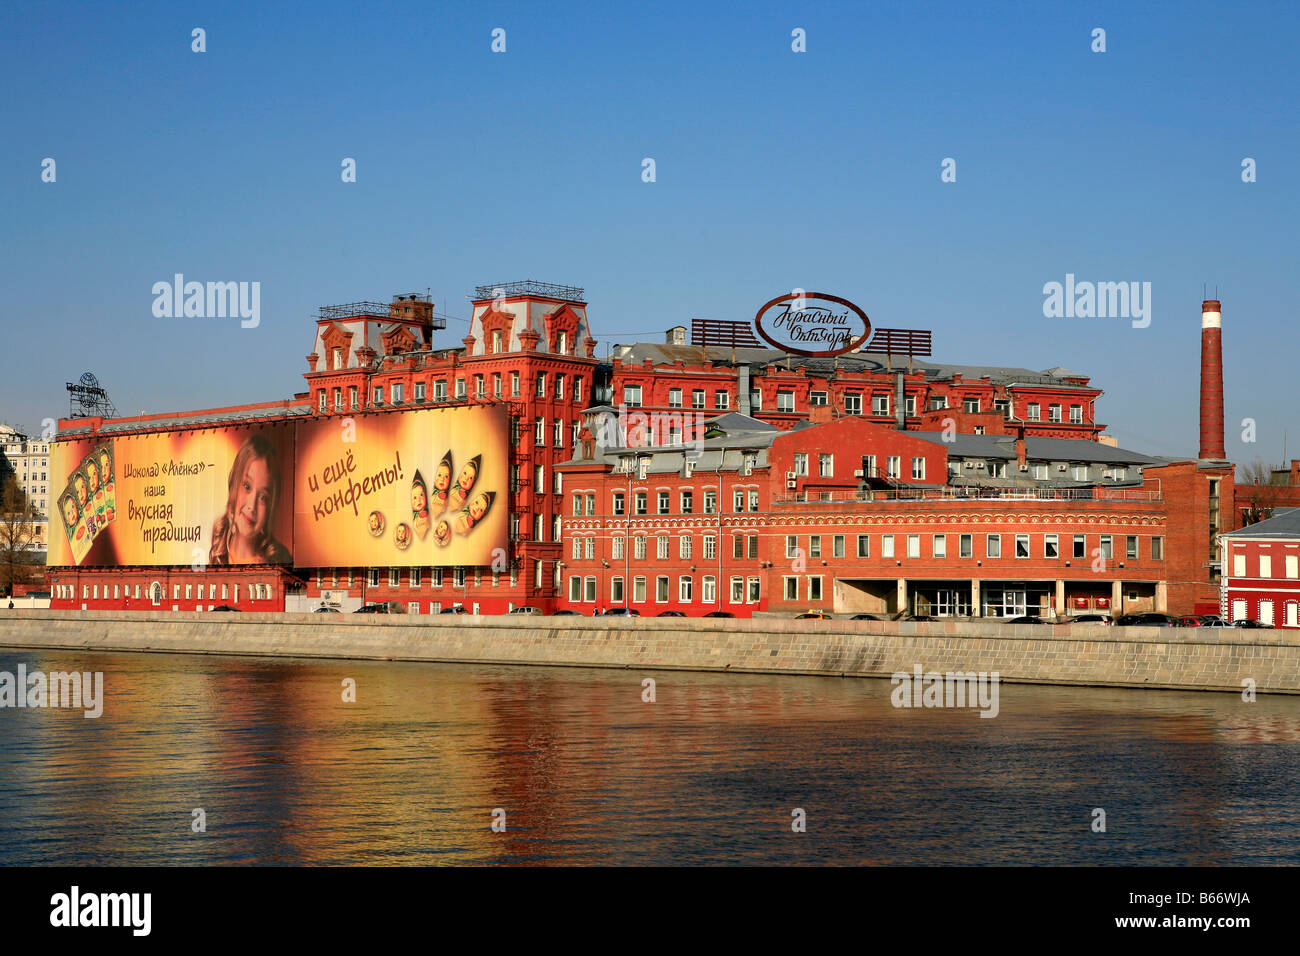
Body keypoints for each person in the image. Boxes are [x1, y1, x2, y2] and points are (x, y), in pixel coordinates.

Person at [209, 433, 292, 565]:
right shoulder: (217, 548)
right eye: (247, 486)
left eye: (263, 497)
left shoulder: (280, 561)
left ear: (271, 508)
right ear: (233, 483)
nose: (251, 506)